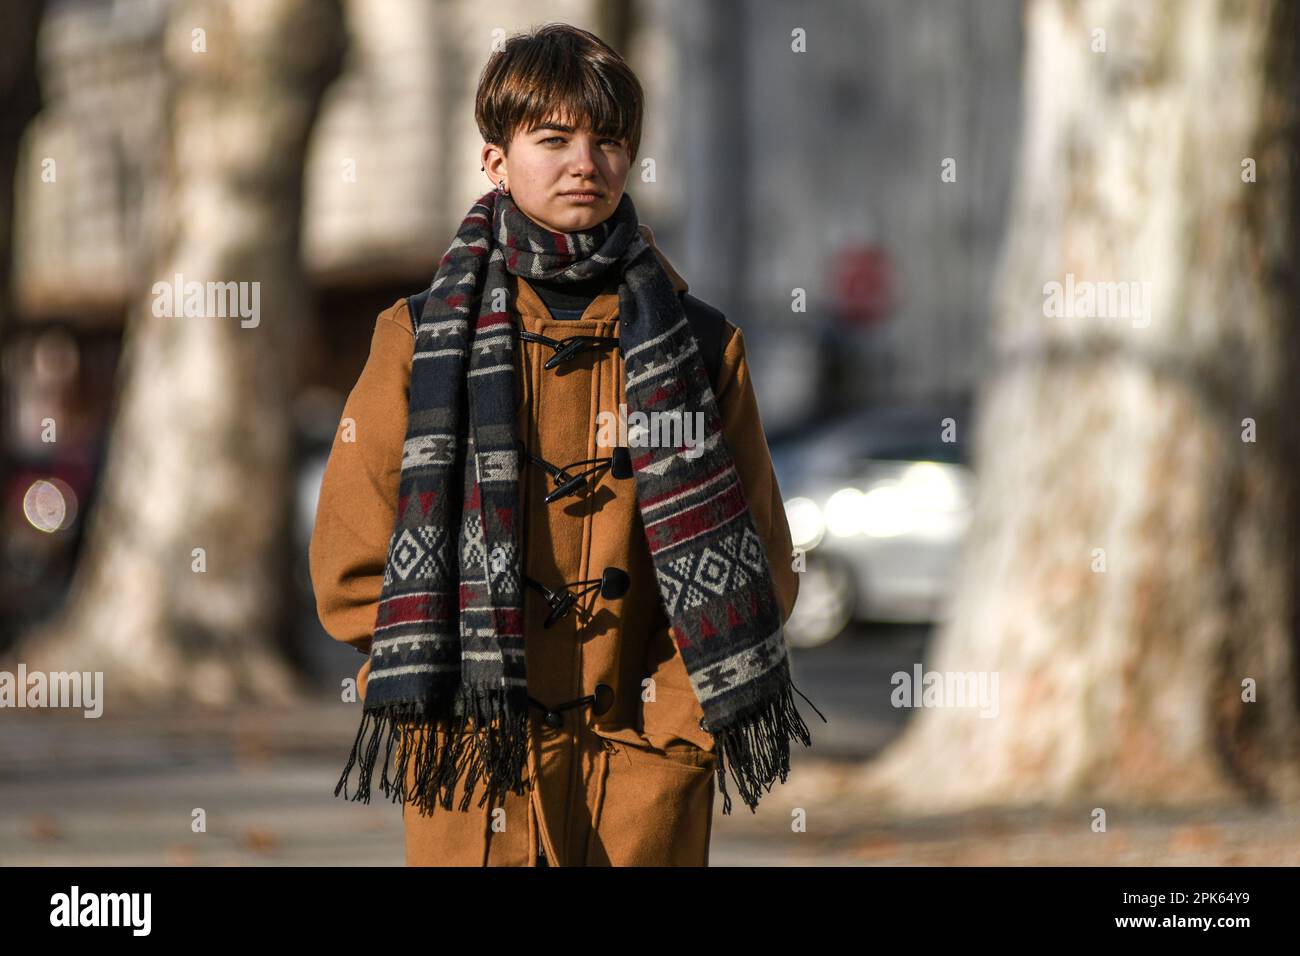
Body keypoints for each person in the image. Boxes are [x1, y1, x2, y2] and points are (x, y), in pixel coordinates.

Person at [309, 21, 820, 867]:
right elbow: (353, 560)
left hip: (643, 778)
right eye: (553, 138)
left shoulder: (698, 344)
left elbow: (762, 560)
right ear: (496, 160)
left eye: (609, 139)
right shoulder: (417, 336)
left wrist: (676, 729)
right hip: (473, 774)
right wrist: (439, 700)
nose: (586, 162)